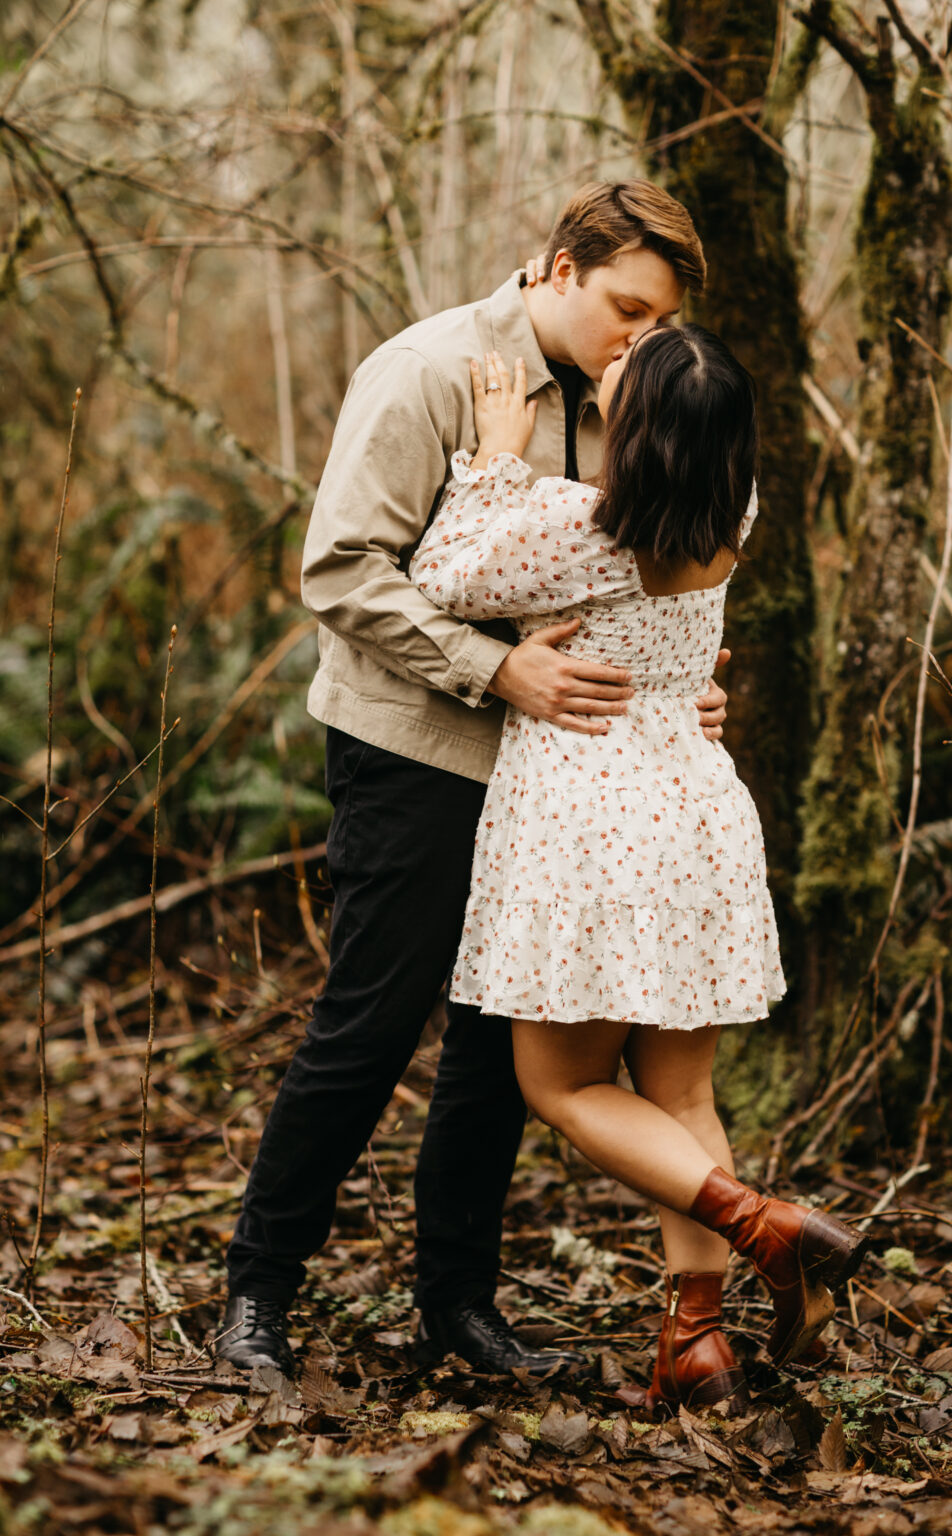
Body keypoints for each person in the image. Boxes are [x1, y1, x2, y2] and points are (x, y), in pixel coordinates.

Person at [215, 181, 733, 1377]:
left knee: (500, 1047)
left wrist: (686, 689)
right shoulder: (429, 370)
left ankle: (456, 1305)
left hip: (570, 780)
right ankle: (258, 1291)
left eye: (657, 321)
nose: (637, 337)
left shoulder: (638, 391)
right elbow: (341, 571)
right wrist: (496, 672)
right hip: (416, 741)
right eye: (622, 307)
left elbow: (657, 566)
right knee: (372, 1019)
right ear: (557, 268)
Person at [407, 329, 869, 1410]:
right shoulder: (730, 515)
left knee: (558, 1083)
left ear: (638, 423)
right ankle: (692, 1343)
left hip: (590, 820)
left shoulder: (582, 528)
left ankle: (767, 1227)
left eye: (630, 366)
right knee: (683, 1089)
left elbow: (443, 574)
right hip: (695, 811)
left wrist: (494, 458)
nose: (611, 360)